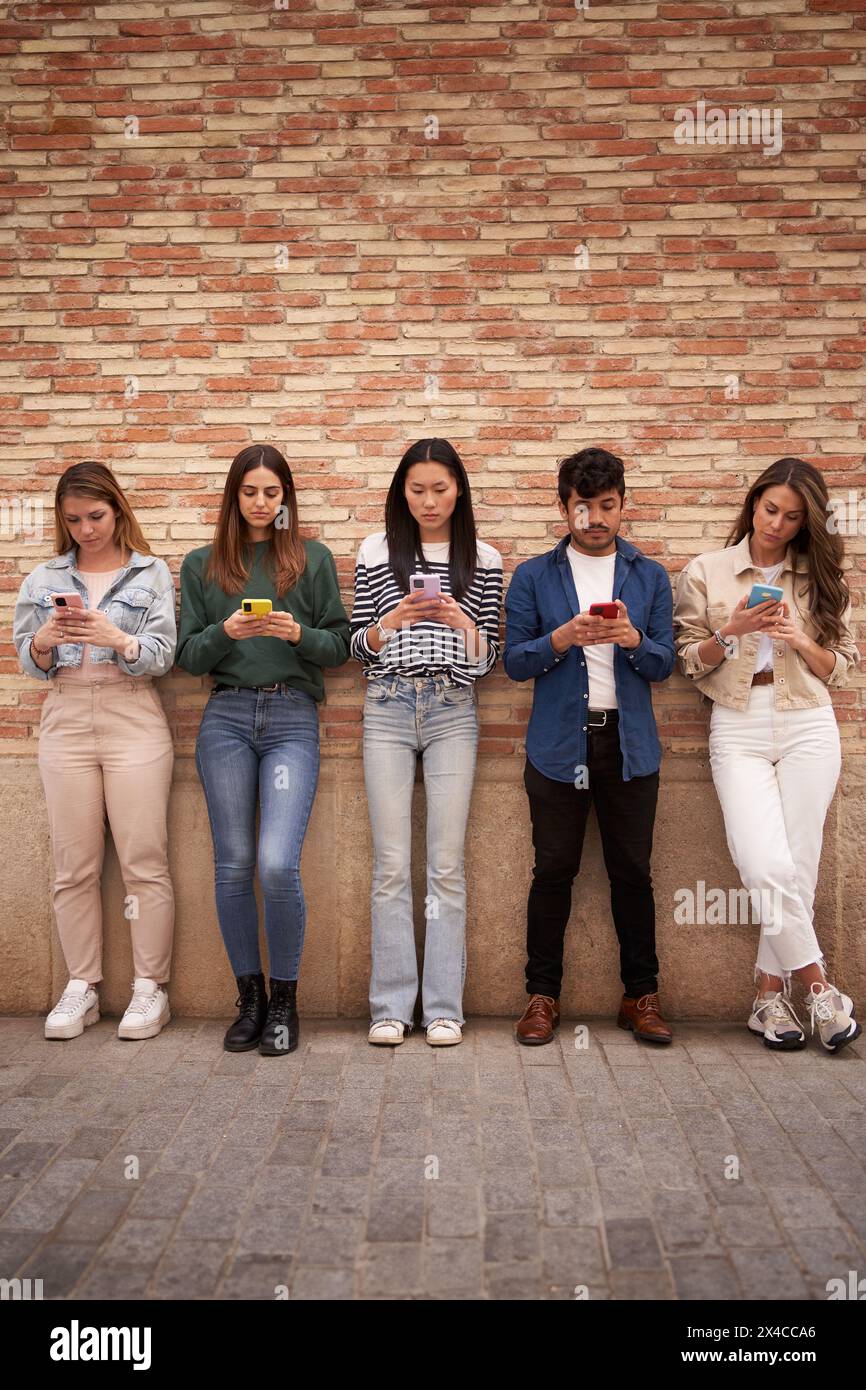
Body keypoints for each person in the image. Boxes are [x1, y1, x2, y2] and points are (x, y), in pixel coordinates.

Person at [674, 457, 861, 1053]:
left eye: (792, 517)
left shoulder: (820, 577)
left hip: (808, 722)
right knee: (762, 864)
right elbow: (687, 661)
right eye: (770, 509)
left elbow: (843, 670)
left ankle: (767, 999)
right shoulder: (708, 570)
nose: (777, 524)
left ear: (808, 522)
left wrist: (799, 637)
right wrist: (731, 630)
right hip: (738, 722)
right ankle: (820, 988)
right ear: (753, 504)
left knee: (797, 868)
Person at [176, 444, 350, 1056]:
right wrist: (225, 632)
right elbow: (187, 658)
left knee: (276, 864)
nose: (259, 503)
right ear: (234, 496)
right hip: (224, 717)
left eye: (271, 493)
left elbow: (340, 647)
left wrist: (296, 632)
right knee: (232, 864)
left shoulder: (311, 560)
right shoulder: (202, 565)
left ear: (286, 499)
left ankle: (284, 999)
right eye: (249, 492)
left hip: (290, 717)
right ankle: (247, 999)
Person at [504, 447, 677, 1046]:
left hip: (629, 746)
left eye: (607, 506)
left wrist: (631, 637)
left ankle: (641, 996)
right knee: (553, 871)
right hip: (557, 747)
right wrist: (561, 637)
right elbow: (514, 662)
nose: (595, 518)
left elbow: (664, 666)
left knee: (633, 873)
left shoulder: (649, 575)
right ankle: (541, 997)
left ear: (623, 505)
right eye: (584, 507)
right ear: (564, 508)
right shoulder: (533, 575)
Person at [13, 462, 177, 1041]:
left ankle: (148, 988)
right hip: (65, 718)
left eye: (97, 516)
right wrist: (43, 641)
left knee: (143, 862)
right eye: (74, 520)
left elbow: (162, 654)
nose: (87, 529)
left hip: (132, 713)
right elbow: (26, 659)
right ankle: (81, 986)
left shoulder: (150, 572)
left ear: (118, 510)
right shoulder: (43, 577)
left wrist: (117, 638)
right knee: (74, 867)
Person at [351, 438, 502, 1046]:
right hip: (387, 706)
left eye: (440, 489)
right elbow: (358, 649)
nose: (429, 501)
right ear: (401, 492)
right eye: (417, 490)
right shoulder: (376, 550)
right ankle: (390, 1006)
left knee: (445, 866)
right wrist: (392, 622)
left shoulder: (484, 558)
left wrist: (460, 621)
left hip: (452, 709)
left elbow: (488, 661)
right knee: (391, 866)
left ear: (458, 490)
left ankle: (443, 1008)